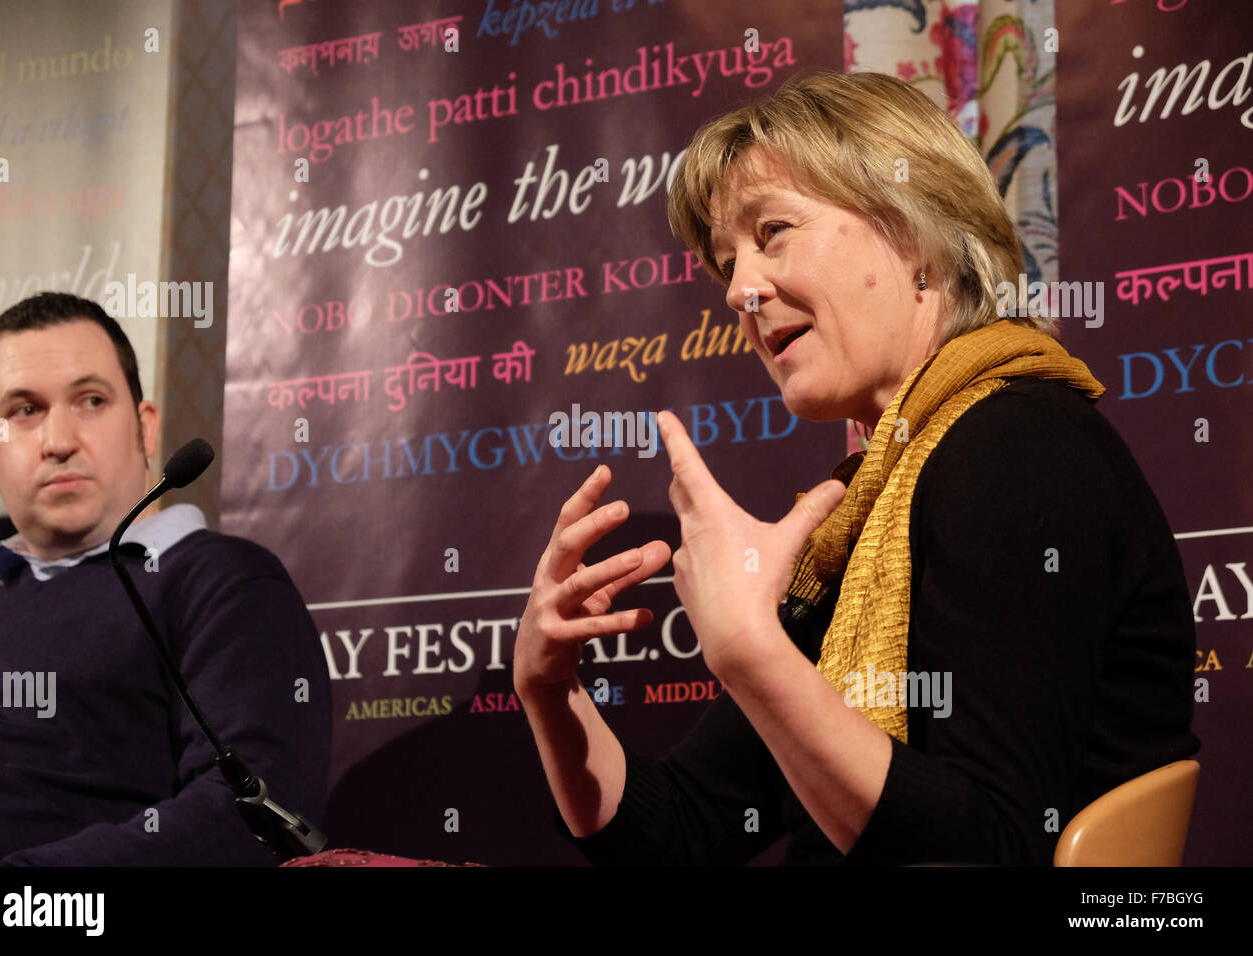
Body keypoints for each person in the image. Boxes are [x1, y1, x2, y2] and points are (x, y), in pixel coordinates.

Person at [512, 71, 1199, 865]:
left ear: (915, 231)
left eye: (771, 232)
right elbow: (680, 835)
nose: (739, 289)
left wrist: (750, 653)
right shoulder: (859, 513)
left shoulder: (1019, 446)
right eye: (726, 261)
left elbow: (990, 847)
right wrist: (551, 691)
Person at [0, 292, 331, 865]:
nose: (58, 441)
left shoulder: (224, 583)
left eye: (91, 400)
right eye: (25, 410)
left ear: (145, 426)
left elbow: (255, 812)